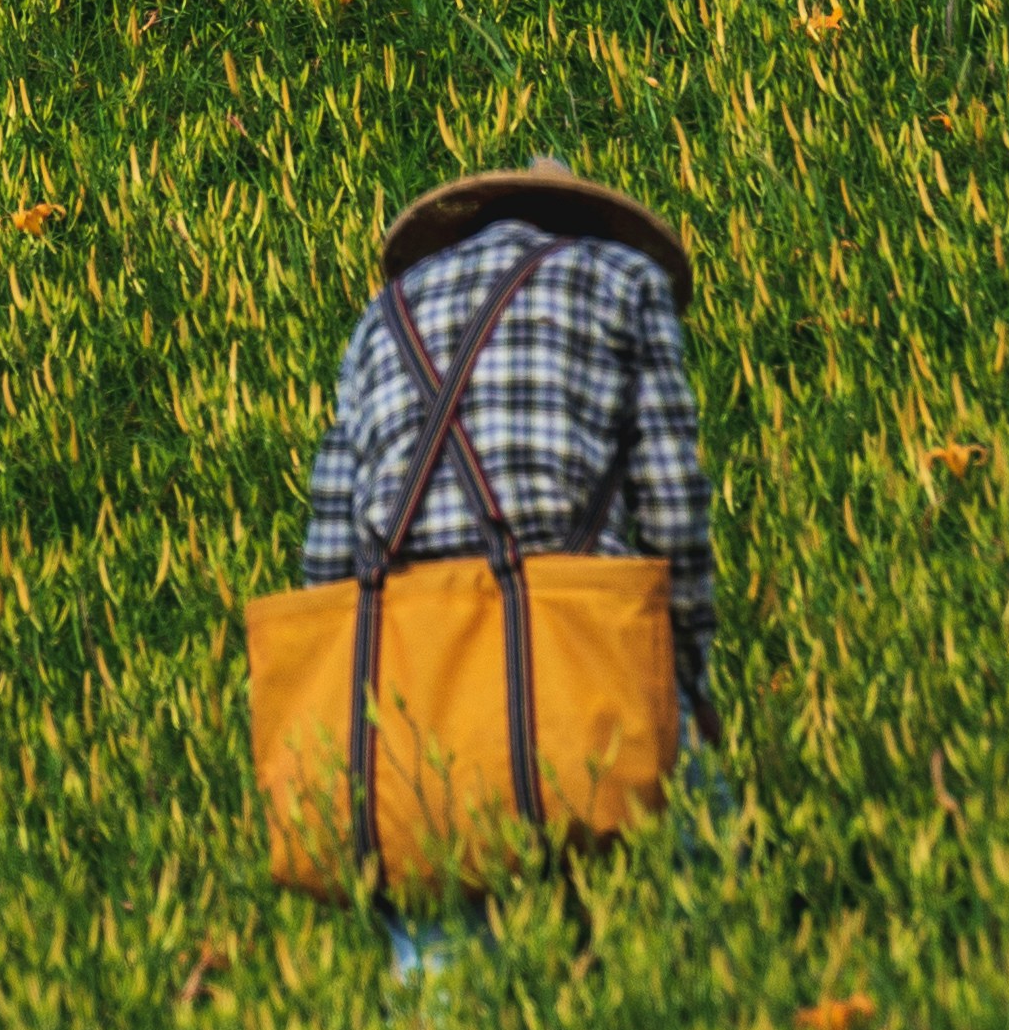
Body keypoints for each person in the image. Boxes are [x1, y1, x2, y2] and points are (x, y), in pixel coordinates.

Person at [299, 159, 718, 963]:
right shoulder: (623, 279)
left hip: (417, 703)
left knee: (442, 982)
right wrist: (687, 676)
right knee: (688, 929)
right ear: (586, 226)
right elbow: (672, 503)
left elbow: (329, 559)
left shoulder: (382, 317)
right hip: (586, 666)